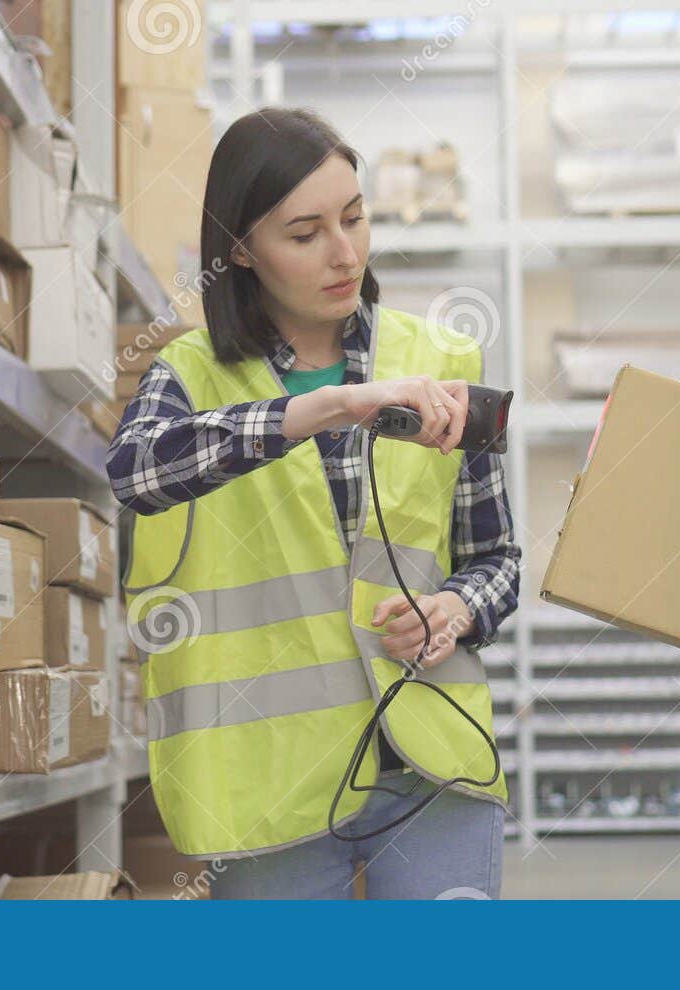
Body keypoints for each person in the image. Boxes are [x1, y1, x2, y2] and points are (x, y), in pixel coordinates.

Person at [106, 107, 520, 900]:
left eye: (355, 218)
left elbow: (497, 557)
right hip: (269, 787)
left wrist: (458, 609)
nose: (345, 253)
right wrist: (326, 406)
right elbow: (136, 472)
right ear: (240, 249)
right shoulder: (191, 374)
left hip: (430, 759)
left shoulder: (443, 361)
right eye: (305, 234)